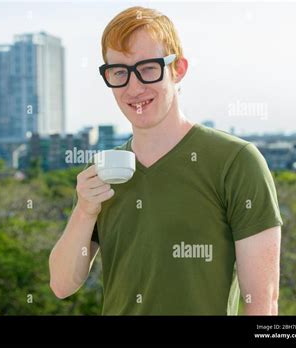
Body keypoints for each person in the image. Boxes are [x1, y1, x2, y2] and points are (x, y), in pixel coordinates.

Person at [49, 6, 283, 315]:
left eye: (147, 69)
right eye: (119, 72)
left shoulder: (236, 162)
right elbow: (62, 285)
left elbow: (263, 302)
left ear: (178, 69)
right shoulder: (105, 172)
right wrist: (84, 210)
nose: (133, 87)